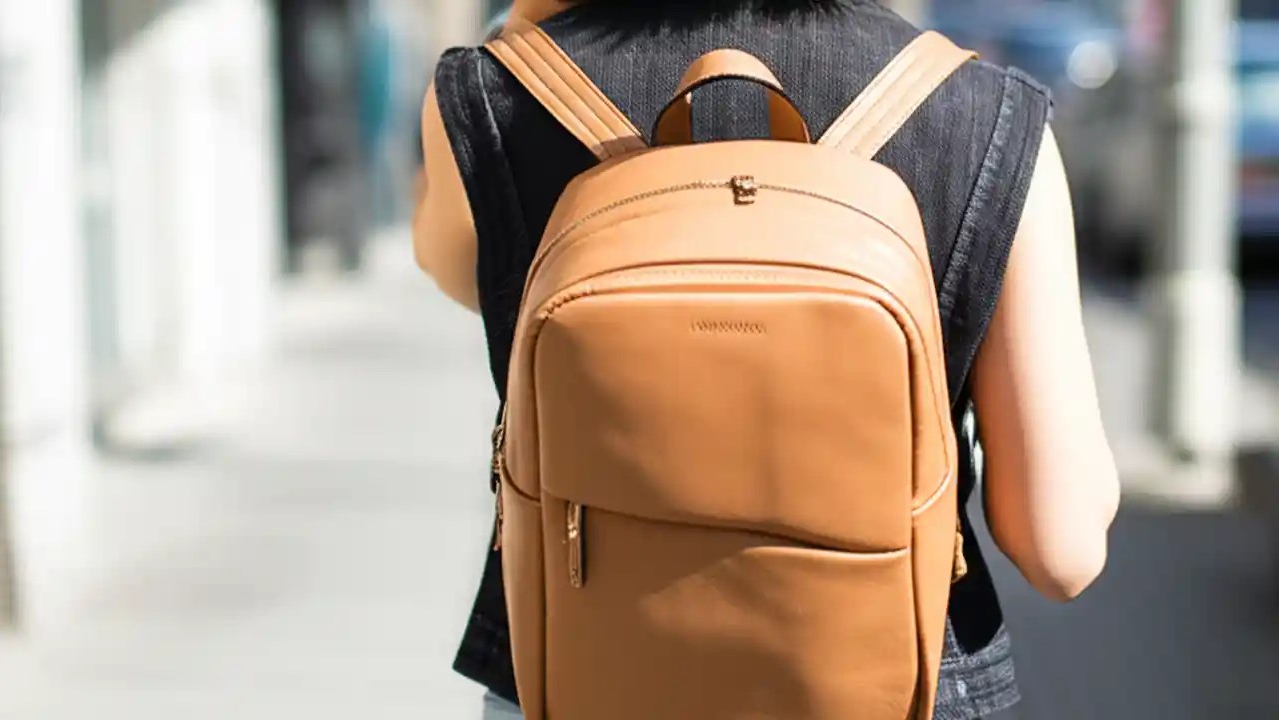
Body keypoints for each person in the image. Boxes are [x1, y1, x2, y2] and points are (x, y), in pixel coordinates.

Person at [414, 1, 1121, 718]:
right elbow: (1060, 551)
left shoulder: (494, 92)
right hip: (899, 686)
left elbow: (454, 272)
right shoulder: (985, 116)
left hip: (580, 672)